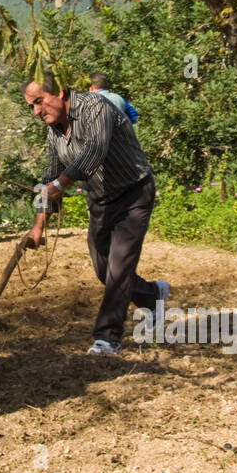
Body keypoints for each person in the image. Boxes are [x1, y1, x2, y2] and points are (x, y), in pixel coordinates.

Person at [23, 73, 168, 355]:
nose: (37, 112)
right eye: (31, 106)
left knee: (118, 269)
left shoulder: (95, 107)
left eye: (40, 102)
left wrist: (60, 185)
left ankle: (107, 338)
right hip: (100, 202)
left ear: (60, 92)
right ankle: (152, 296)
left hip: (133, 194)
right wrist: (38, 225)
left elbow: (95, 150)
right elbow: (49, 176)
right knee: (104, 270)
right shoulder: (54, 132)